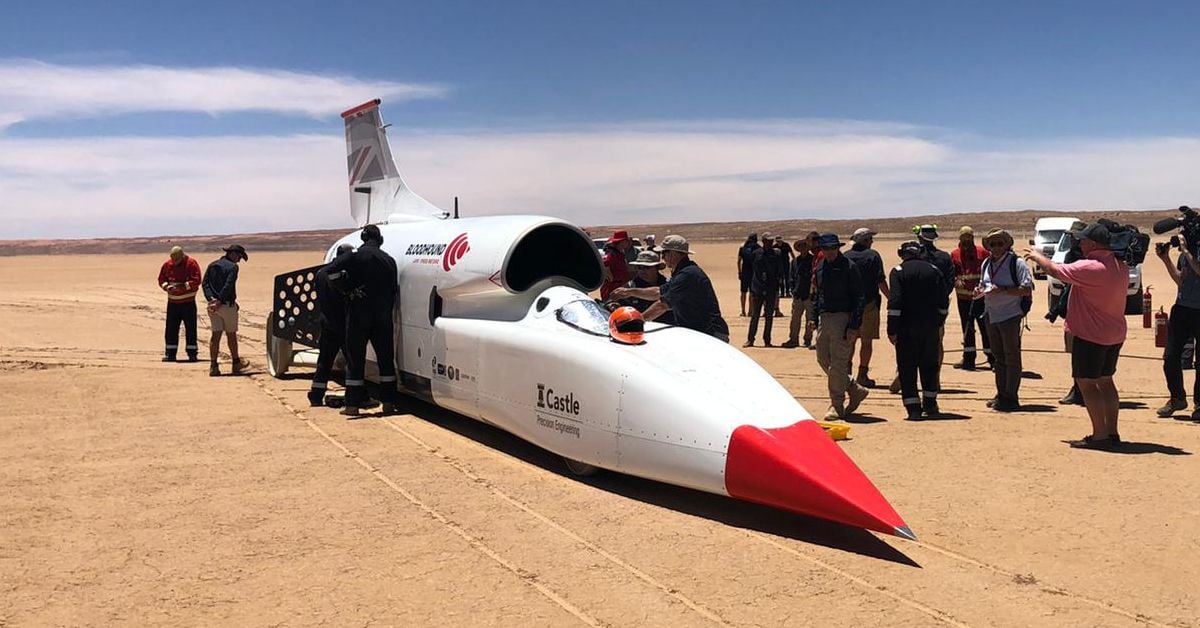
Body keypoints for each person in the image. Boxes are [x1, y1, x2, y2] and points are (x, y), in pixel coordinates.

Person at [1025, 223, 1128, 448]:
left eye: (1082, 240)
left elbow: (1055, 271)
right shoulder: (1120, 265)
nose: (1079, 243)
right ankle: (1112, 432)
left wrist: (1037, 256)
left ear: (1093, 243)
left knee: (1087, 384)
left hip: (1091, 335)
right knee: (1106, 382)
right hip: (1114, 333)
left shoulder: (1091, 266)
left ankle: (1099, 435)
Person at [326, 225, 400, 416]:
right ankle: (389, 402)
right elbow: (393, 289)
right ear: (380, 239)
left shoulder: (355, 256)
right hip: (383, 316)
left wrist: (347, 289)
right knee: (386, 359)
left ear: (363, 238)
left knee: (355, 358)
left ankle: (352, 405)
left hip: (359, 314)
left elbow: (331, 271)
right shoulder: (389, 261)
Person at [610, 235, 729, 341]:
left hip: (710, 334)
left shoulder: (687, 275)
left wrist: (637, 322)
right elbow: (658, 291)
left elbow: (662, 304)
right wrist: (628, 292)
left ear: (673, 253)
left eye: (664, 253)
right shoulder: (683, 273)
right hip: (702, 332)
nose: (663, 257)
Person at [891, 224, 957, 393]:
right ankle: (934, 378)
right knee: (936, 342)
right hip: (935, 308)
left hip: (910, 309)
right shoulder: (944, 258)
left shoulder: (913, 259)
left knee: (906, 344)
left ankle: (903, 375)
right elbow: (949, 283)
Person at [887, 241, 949, 419]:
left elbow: (895, 302)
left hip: (906, 329)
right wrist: (938, 321)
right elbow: (943, 301)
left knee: (907, 368)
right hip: (930, 327)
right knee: (929, 366)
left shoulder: (898, 272)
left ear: (902, 254)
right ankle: (930, 404)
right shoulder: (934, 270)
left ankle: (913, 408)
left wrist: (892, 328)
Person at [812, 232, 868, 420]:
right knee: (822, 358)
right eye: (826, 249)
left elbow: (859, 297)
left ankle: (837, 405)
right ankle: (853, 387)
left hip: (843, 318)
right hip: (824, 317)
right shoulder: (820, 268)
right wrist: (813, 316)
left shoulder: (848, 267)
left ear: (838, 248)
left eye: (832, 248)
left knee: (838, 362)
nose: (829, 252)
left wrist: (854, 325)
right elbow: (818, 294)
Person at [977, 229, 1033, 411]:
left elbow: (1026, 289)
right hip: (991, 314)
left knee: (1011, 356)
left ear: (1007, 244)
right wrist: (980, 290)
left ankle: (1011, 396)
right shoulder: (986, 263)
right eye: (992, 244)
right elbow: (983, 284)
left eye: (1000, 243)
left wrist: (1002, 290)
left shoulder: (1016, 263)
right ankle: (1001, 394)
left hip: (1010, 314)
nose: (996, 247)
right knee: (998, 357)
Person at [1153, 232, 1200, 419]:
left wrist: (1187, 249)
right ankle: (1177, 398)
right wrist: (1165, 260)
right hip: (1182, 309)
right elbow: (1181, 280)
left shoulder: (1188, 252)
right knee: (1171, 356)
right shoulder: (1185, 255)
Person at [308, 244, 355, 407]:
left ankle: (316, 394)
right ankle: (356, 395)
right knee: (352, 360)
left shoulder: (320, 273)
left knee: (324, 361)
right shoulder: (342, 274)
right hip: (341, 323)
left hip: (326, 322)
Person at [844, 227, 889, 387]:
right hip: (869, 304)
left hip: (848, 306)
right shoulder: (873, 256)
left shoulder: (846, 256)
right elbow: (880, 280)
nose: (872, 242)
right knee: (866, 341)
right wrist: (890, 297)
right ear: (864, 241)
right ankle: (862, 375)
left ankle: (846, 374)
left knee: (850, 340)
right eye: (870, 239)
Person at [201, 244, 249, 376]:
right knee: (231, 334)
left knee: (215, 335)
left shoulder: (212, 265)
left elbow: (205, 284)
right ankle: (236, 363)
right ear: (232, 254)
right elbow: (228, 285)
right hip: (226, 305)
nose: (239, 260)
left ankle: (213, 365)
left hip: (213, 306)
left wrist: (211, 299)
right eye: (239, 256)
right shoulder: (233, 267)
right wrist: (220, 301)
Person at [950, 226, 992, 370]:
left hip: (981, 298)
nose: (967, 241)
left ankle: (992, 358)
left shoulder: (983, 252)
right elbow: (951, 273)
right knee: (967, 329)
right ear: (960, 239)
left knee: (985, 328)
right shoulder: (954, 255)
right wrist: (955, 279)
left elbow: (991, 270)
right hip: (963, 299)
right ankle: (968, 359)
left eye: (969, 238)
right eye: (964, 238)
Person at [157, 245, 202, 362]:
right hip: (173, 303)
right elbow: (161, 279)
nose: (175, 262)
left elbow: (197, 280)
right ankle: (170, 354)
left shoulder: (191, 264)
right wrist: (167, 287)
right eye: (173, 260)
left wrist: (183, 287)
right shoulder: (167, 265)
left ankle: (192, 354)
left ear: (182, 256)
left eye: (177, 260)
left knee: (190, 328)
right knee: (171, 329)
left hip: (188, 303)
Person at [745, 232, 782, 347]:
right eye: (767, 241)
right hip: (758, 288)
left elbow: (779, 271)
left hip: (771, 288)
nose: (770, 243)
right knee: (755, 315)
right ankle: (750, 339)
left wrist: (776, 286)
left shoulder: (776, 254)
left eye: (771, 241)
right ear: (763, 241)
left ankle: (767, 340)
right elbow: (752, 270)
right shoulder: (756, 253)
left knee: (769, 316)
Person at [618, 250, 675, 325]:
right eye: (639, 267)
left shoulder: (668, 284)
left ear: (656, 268)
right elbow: (617, 304)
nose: (642, 271)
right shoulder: (629, 287)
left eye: (646, 267)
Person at [782, 239, 816, 348]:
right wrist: (793, 290)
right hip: (798, 295)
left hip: (809, 295)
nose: (803, 248)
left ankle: (807, 339)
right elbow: (791, 277)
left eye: (805, 246)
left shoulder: (813, 260)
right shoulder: (795, 261)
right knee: (795, 319)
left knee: (809, 319)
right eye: (801, 246)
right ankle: (793, 339)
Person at [600, 230, 634, 300]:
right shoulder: (612, 254)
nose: (628, 243)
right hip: (612, 288)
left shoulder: (620, 253)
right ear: (622, 242)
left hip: (620, 286)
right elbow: (605, 264)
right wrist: (609, 275)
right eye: (626, 241)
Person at [736, 233, 760, 317]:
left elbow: (739, 261)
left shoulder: (743, 247)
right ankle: (750, 311)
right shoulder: (757, 247)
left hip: (744, 272)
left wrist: (739, 272)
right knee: (752, 292)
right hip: (753, 272)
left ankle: (743, 311)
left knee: (743, 292)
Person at [775, 234, 793, 304]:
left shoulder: (786, 245)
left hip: (786, 264)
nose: (779, 241)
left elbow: (791, 253)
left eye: (779, 240)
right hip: (778, 265)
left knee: (787, 278)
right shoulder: (774, 246)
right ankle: (782, 293)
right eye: (777, 240)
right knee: (780, 279)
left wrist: (794, 261)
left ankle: (788, 292)